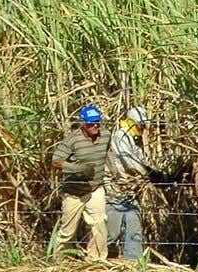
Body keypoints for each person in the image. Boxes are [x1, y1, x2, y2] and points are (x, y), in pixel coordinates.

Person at [48, 105, 109, 260]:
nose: (95, 126)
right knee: (68, 231)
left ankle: (97, 260)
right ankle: (60, 260)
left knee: (99, 224)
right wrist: (77, 169)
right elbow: (56, 161)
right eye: (90, 123)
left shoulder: (106, 136)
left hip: (95, 189)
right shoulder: (73, 140)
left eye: (97, 122)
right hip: (74, 192)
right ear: (82, 123)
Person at [104, 106, 153, 260]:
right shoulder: (120, 136)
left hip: (130, 194)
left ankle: (134, 262)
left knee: (134, 227)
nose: (143, 129)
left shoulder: (133, 140)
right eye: (141, 125)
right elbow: (129, 162)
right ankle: (101, 257)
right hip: (114, 193)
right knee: (112, 233)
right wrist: (150, 174)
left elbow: (141, 161)